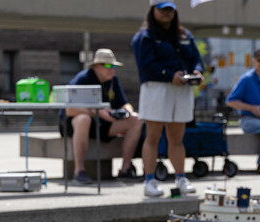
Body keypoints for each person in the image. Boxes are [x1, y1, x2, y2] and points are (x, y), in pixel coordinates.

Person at [132, 0, 204, 197]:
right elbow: (146, 66)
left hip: (182, 89)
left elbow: (196, 57)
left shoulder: (184, 34)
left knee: (177, 138)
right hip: (157, 89)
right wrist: (169, 75)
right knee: (153, 136)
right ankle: (150, 180)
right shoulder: (144, 36)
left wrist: (197, 71)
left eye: (170, 10)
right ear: (153, 10)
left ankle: (181, 177)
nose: (166, 14)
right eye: (162, 10)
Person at [59, 48, 141, 184]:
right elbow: (69, 110)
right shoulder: (83, 79)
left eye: (114, 66)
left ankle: (126, 170)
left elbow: (124, 103)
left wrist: (127, 111)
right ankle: (79, 171)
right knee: (83, 119)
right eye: (108, 65)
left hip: (102, 124)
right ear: (96, 66)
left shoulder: (113, 80)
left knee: (136, 119)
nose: (112, 69)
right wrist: (96, 112)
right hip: (75, 124)